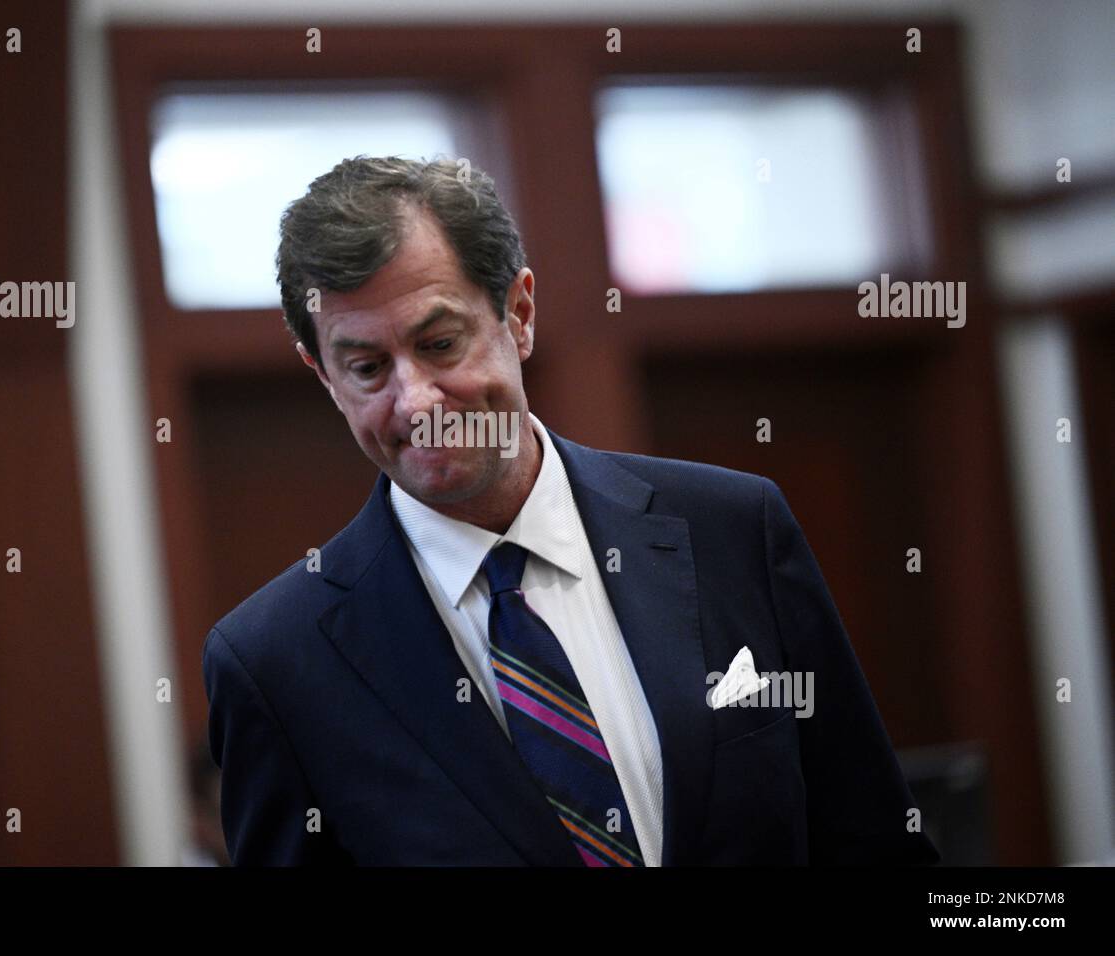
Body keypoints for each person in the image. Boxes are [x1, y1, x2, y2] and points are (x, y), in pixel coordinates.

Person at [201, 156, 940, 866]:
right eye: (367, 368)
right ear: (323, 374)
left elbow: (873, 840)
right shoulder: (276, 665)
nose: (415, 400)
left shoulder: (732, 531)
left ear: (518, 313)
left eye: (440, 343)